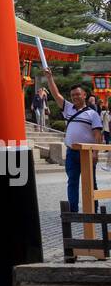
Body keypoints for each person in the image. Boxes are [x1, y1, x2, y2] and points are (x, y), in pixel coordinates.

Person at [43, 70, 103, 212]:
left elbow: (97, 135)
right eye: (72, 95)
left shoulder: (92, 114)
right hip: (71, 152)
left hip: (87, 154)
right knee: (72, 182)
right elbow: (56, 94)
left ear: (84, 95)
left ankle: (93, 209)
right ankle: (73, 210)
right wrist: (50, 78)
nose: (75, 97)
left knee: (90, 182)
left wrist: (95, 153)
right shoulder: (68, 108)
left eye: (78, 94)